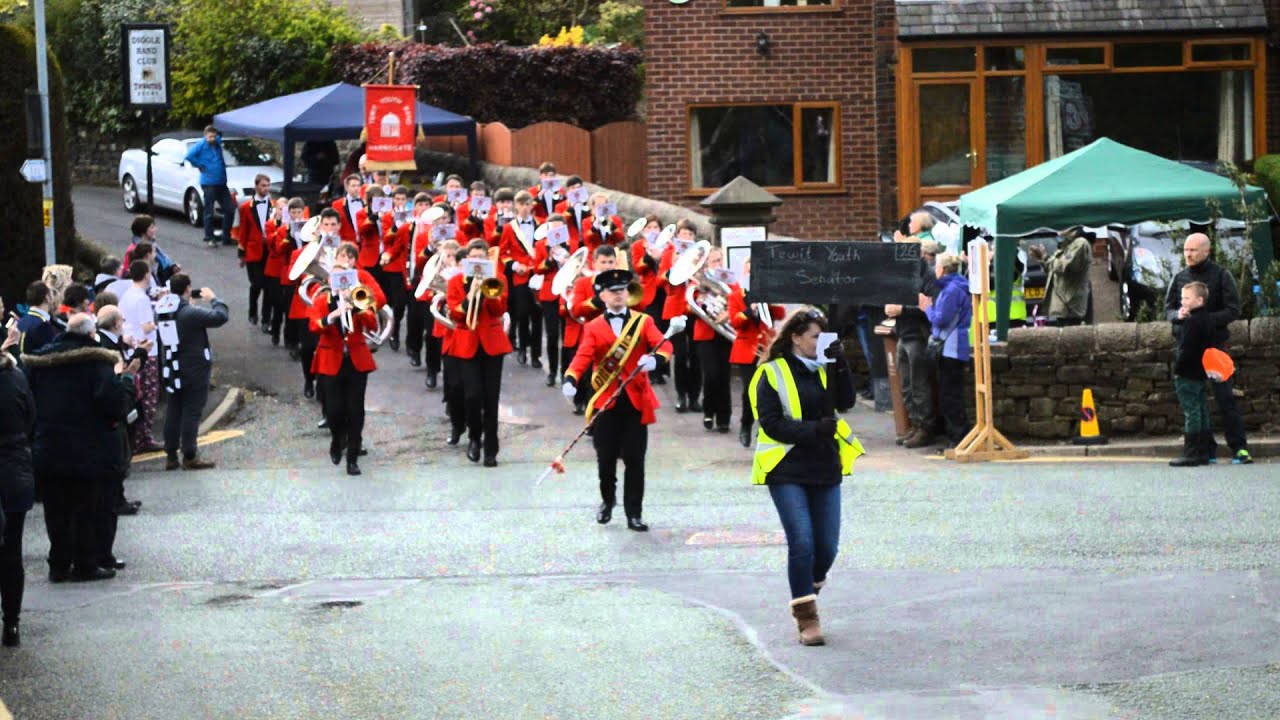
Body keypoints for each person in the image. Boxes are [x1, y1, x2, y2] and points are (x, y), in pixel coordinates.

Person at [748, 307, 862, 646]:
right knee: (802, 542)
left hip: (824, 466)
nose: (820, 342)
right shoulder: (770, 373)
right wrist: (815, 430)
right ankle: (806, 617)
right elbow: (771, 424)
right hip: (786, 467)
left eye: (824, 337)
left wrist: (840, 363)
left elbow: (848, 401)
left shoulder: (826, 367)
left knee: (826, 548)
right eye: (815, 337)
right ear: (796, 338)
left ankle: (806, 588)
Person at [23, 313, 136, 583]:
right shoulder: (97, 364)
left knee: (56, 510)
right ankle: (85, 564)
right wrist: (127, 381)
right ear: (90, 334)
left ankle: (59, 565)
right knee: (86, 508)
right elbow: (115, 406)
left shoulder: (39, 363)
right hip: (88, 448)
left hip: (49, 447)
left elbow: (28, 404)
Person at [562, 268, 672, 532]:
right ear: (602, 295)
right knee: (606, 459)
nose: (619, 295)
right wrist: (571, 378)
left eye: (622, 290)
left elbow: (665, 346)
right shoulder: (593, 326)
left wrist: (655, 360)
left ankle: (634, 512)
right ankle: (607, 501)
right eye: (613, 291)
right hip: (606, 401)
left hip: (636, 401)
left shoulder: (643, 322)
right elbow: (583, 357)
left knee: (636, 459)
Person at [1163, 232, 1252, 465]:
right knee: (1197, 401)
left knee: (1224, 398)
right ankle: (1206, 449)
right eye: (1185, 250)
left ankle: (1239, 448)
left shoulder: (1222, 275)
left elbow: (1233, 310)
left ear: (1206, 251)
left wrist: (1202, 320)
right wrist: (1178, 315)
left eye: (1193, 250)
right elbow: (1168, 309)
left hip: (1215, 347)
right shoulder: (1179, 278)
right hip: (1190, 348)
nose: (1188, 254)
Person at [308, 241, 385, 475]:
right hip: (330, 359)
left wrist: (357, 306)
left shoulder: (358, 298)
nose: (341, 283)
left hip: (355, 360)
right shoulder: (321, 300)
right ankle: (336, 439)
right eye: (337, 279)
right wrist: (332, 316)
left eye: (345, 279)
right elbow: (314, 326)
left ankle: (352, 456)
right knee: (334, 410)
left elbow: (372, 322)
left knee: (355, 409)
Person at [447, 239, 512, 467]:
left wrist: (487, 290)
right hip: (466, 343)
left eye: (482, 258)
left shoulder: (498, 279)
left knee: (491, 399)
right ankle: (475, 437)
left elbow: (499, 309)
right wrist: (470, 294)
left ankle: (491, 449)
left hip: (492, 344)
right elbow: (455, 313)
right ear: (466, 260)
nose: (478, 261)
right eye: (473, 258)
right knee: (472, 396)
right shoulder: (456, 281)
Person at [163, 274, 230, 471]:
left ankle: (171, 455)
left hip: (172, 366)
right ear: (187, 288)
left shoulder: (164, 310)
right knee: (191, 412)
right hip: (194, 368)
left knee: (173, 411)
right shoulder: (189, 313)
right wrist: (214, 299)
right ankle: (190, 455)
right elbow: (220, 317)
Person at [885, 239, 941, 448]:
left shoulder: (928, 276)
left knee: (919, 385)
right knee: (907, 385)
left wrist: (902, 310)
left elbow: (930, 305)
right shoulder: (904, 275)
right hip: (903, 334)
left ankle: (926, 428)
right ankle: (915, 425)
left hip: (918, 335)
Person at [0, 321, 35, 646]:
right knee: (12, 550)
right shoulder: (15, 377)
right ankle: (11, 623)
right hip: (14, 470)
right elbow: (30, 419)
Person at [94, 305, 143, 521]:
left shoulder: (113, 342)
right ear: (115, 323)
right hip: (117, 405)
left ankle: (119, 498)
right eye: (121, 320)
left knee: (124, 451)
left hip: (124, 400)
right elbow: (118, 375)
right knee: (119, 454)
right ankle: (116, 500)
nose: (123, 323)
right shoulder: (106, 346)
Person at [728, 260, 785, 447]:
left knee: (769, 391)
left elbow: (781, 314)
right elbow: (735, 321)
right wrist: (748, 310)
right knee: (750, 391)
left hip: (767, 347)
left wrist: (770, 301)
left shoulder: (768, 292)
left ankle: (766, 429)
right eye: (750, 270)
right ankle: (746, 424)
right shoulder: (736, 295)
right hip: (746, 350)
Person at [1169, 281, 1225, 467]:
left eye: (1187, 298)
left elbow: (1187, 349)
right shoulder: (1206, 319)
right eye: (1182, 298)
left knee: (1192, 411)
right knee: (1201, 410)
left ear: (1199, 300)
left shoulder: (1192, 322)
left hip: (1188, 372)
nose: (1183, 301)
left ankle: (1192, 453)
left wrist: (1178, 368)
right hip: (1202, 371)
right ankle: (1206, 451)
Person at [920, 253, 973, 448]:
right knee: (950, 394)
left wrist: (926, 308)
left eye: (936, 267)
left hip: (951, 348)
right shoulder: (953, 287)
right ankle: (956, 436)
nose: (934, 270)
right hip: (952, 347)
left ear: (942, 269)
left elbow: (941, 319)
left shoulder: (951, 290)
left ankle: (958, 438)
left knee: (951, 395)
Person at [119, 260, 164, 453]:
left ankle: (137, 438)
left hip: (132, 350)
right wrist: (159, 318)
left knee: (138, 396)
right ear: (146, 275)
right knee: (149, 396)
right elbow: (147, 326)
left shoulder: (128, 295)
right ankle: (143, 438)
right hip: (147, 351)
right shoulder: (142, 299)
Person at [691, 246, 737, 433]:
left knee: (724, 376)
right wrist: (702, 300)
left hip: (725, 334)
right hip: (705, 334)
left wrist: (728, 313)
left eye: (720, 261)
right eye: (714, 261)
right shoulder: (697, 283)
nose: (718, 265)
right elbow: (689, 307)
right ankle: (709, 410)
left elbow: (737, 301)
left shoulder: (730, 282)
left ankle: (724, 417)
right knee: (711, 374)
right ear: (706, 265)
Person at [660, 220, 702, 413]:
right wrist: (674, 268)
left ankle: (695, 397)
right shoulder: (670, 253)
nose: (687, 237)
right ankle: (681, 395)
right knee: (681, 354)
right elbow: (661, 279)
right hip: (676, 308)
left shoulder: (700, 255)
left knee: (696, 355)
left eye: (690, 235)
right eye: (683, 234)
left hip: (695, 309)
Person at [499, 191, 542, 368]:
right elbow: (502, 253)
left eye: (528, 204)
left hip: (538, 274)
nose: (525, 208)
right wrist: (516, 266)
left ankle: (536, 354)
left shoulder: (541, 224)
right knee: (523, 314)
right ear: (516, 206)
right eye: (522, 204)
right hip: (520, 277)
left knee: (538, 316)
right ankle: (523, 348)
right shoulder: (510, 227)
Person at [1030, 227, 1092, 326]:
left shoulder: (1080, 243)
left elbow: (1064, 267)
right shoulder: (1065, 245)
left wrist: (1047, 259)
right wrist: (1042, 258)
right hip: (1062, 310)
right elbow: (1053, 271)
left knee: (1071, 339)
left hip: (1071, 308)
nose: (1057, 227)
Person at [183, 125, 233, 247]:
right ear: (205, 136)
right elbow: (189, 156)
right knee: (209, 210)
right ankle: (209, 237)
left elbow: (221, 137)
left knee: (229, 209)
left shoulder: (217, 143)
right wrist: (200, 165)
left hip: (221, 182)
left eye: (214, 136)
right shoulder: (201, 145)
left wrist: (218, 136)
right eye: (210, 137)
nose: (212, 139)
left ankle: (226, 236)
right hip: (208, 183)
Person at [235, 174, 273, 330]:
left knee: (269, 286)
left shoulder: (274, 205)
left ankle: (266, 319)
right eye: (263, 185)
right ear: (256, 186)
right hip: (253, 251)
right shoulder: (246, 207)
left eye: (268, 185)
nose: (266, 188)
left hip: (269, 251)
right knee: (256, 284)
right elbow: (243, 231)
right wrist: (241, 254)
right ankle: (252, 312)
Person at [16, 281, 56, 354]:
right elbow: (50, 355)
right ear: (47, 297)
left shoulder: (20, 322)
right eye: (52, 294)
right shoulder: (42, 324)